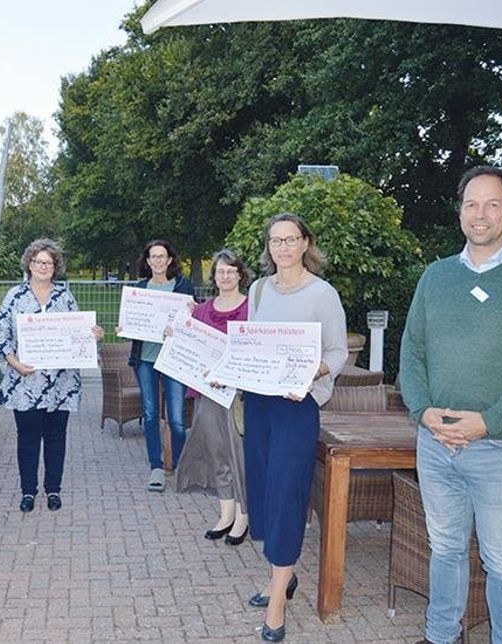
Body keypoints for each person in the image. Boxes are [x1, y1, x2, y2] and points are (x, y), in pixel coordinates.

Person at [400, 167, 502, 644]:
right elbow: (412, 352)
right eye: (471, 203)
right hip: (435, 444)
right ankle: (440, 635)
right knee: (445, 549)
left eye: (492, 204)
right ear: (459, 211)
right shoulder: (436, 277)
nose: (480, 214)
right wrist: (424, 411)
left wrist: (488, 422)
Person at [243, 214, 348, 642]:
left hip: (296, 406)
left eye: (290, 239)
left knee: (287, 493)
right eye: (275, 240)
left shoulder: (323, 294)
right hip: (259, 405)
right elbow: (249, 340)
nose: (282, 247)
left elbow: (338, 352)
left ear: (306, 242)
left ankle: (278, 600)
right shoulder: (258, 289)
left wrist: (310, 375)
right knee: (265, 491)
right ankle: (279, 577)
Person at [0, 238, 103, 513]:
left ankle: (53, 489)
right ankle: (28, 491)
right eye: (38, 261)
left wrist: (93, 336)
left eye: (49, 263)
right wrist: (14, 362)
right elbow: (0, 333)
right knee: (27, 438)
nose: (43, 266)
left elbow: (79, 333)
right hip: (25, 382)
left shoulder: (65, 297)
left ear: (56, 267)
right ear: (29, 264)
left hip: (60, 383)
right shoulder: (14, 297)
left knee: (56, 437)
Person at [175, 249, 250, 546]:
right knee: (216, 452)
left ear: (240, 275)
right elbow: (187, 341)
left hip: (238, 395)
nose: (226, 276)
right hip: (208, 393)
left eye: (231, 271)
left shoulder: (251, 309)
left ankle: (244, 516)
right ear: (214, 276)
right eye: (221, 271)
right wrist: (176, 328)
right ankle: (226, 513)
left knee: (238, 453)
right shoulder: (203, 310)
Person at [127, 239, 195, 493]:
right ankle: (156, 466)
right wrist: (126, 327)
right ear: (147, 261)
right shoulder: (140, 289)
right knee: (151, 413)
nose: (157, 260)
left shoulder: (182, 286)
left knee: (177, 419)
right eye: (153, 256)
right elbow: (133, 323)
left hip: (174, 360)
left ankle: (177, 465)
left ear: (169, 260)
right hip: (145, 360)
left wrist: (192, 313)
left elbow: (194, 322)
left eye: (161, 256)